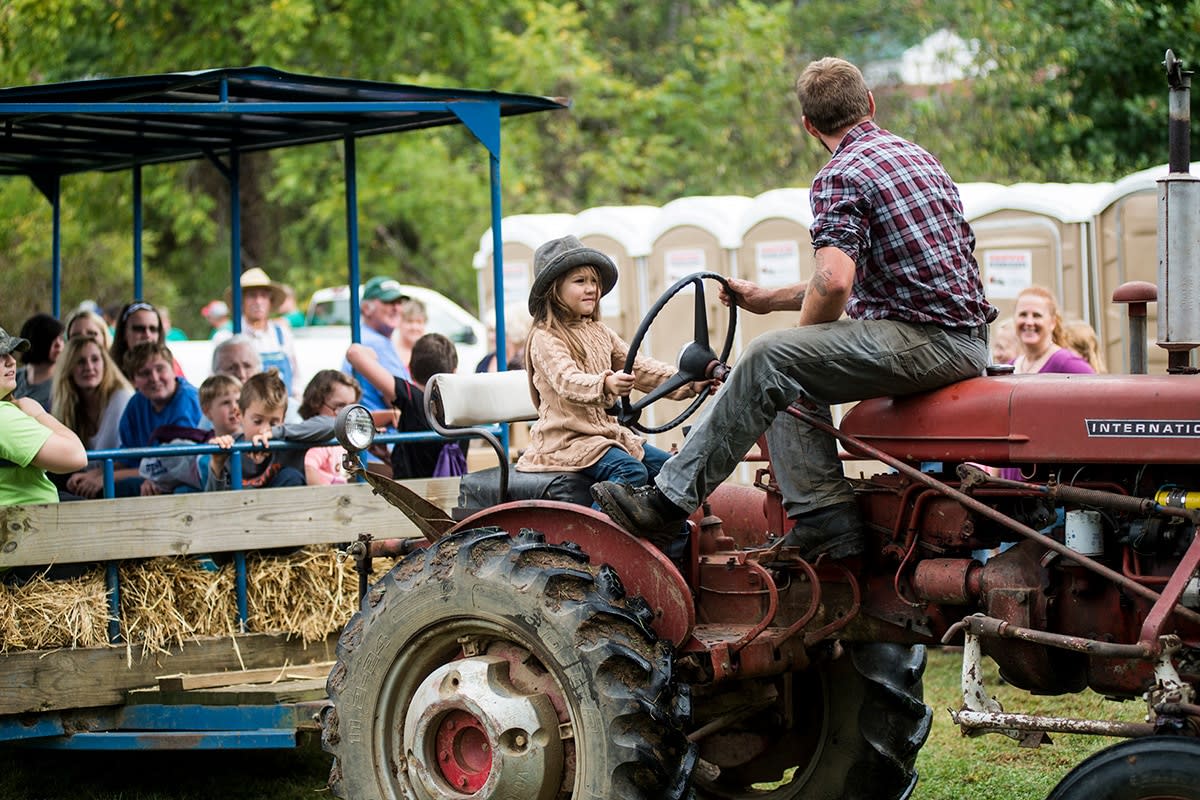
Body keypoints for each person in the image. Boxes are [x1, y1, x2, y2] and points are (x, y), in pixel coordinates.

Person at [593, 57, 996, 558]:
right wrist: (768, 299)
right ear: (870, 104)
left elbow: (833, 283)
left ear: (808, 125)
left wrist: (795, 345)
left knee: (771, 359)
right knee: (786, 367)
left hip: (930, 341)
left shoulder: (841, 174)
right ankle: (824, 516)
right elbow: (877, 278)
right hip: (962, 336)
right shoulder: (918, 158)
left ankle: (667, 500)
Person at [513, 236, 703, 498]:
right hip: (566, 442)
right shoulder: (546, 337)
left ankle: (665, 537)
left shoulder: (600, 331)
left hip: (604, 437)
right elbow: (567, 381)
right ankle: (597, 537)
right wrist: (606, 384)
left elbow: (638, 366)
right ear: (554, 290)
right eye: (580, 282)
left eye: (594, 282)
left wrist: (688, 380)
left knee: (671, 470)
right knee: (631, 472)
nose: (591, 288)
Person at [347, 332, 461, 479]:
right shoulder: (461, 407)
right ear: (454, 372)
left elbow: (354, 353)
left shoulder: (414, 398)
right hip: (454, 492)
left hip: (415, 497)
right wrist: (387, 457)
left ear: (410, 371)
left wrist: (371, 355)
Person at [2, 327, 88, 506]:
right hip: (27, 526)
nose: (11, 361)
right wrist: (37, 413)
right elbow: (76, 456)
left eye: (9, 353)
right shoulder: (3, 417)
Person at [115, 341, 203, 496]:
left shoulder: (189, 400)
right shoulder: (136, 403)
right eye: (144, 373)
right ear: (133, 380)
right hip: (152, 475)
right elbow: (127, 458)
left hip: (188, 483)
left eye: (160, 369)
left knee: (122, 487)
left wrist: (106, 478)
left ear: (173, 370)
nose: (154, 378)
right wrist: (96, 475)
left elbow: (175, 467)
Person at [52, 335, 135, 499]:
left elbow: (127, 458)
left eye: (95, 359)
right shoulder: (66, 405)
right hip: (87, 478)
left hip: (118, 477)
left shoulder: (121, 397)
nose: (89, 367)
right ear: (68, 368)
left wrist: (97, 476)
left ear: (105, 364)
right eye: (80, 362)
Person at [206, 369, 305, 491]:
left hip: (280, 508)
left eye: (273, 424)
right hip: (240, 508)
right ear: (239, 415)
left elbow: (329, 427)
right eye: (257, 421)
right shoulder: (229, 450)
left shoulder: (287, 444)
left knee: (291, 476)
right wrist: (217, 464)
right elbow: (213, 503)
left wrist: (282, 431)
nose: (265, 430)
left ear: (283, 420)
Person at [213, 268, 299, 395]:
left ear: (270, 301)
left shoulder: (282, 335)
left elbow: (296, 377)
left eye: (263, 296)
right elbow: (216, 380)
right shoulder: (226, 337)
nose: (258, 302)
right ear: (241, 301)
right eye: (252, 296)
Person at [342, 276, 411, 412]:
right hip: (383, 430)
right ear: (367, 308)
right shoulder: (376, 343)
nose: (396, 308)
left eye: (399, 302)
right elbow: (400, 400)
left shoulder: (366, 338)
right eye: (388, 302)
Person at [296, 369, 361, 485]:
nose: (348, 414)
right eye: (340, 406)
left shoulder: (344, 440)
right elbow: (310, 467)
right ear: (316, 404)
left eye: (352, 407)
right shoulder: (320, 443)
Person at [1010, 286, 1094, 375]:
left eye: (1037, 315)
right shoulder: (1009, 367)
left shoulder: (1068, 364)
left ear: (1053, 322)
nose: (1029, 322)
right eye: (1023, 314)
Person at [111, 301, 184, 381]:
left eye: (153, 329)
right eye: (139, 329)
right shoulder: (108, 370)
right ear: (124, 332)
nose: (147, 335)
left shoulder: (172, 366)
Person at [13, 313, 65, 410]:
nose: (59, 344)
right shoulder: (12, 378)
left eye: (61, 339)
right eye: (52, 339)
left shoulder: (65, 383)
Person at [476, 303, 534, 373]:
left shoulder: (524, 364)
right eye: (490, 331)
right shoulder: (485, 361)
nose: (490, 337)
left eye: (495, 331)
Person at [393, 297, 428, 373]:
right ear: (399, 322)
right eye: (409, 321)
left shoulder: (429, 354)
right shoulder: (391, 351)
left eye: (419, 322)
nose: (414, 327)